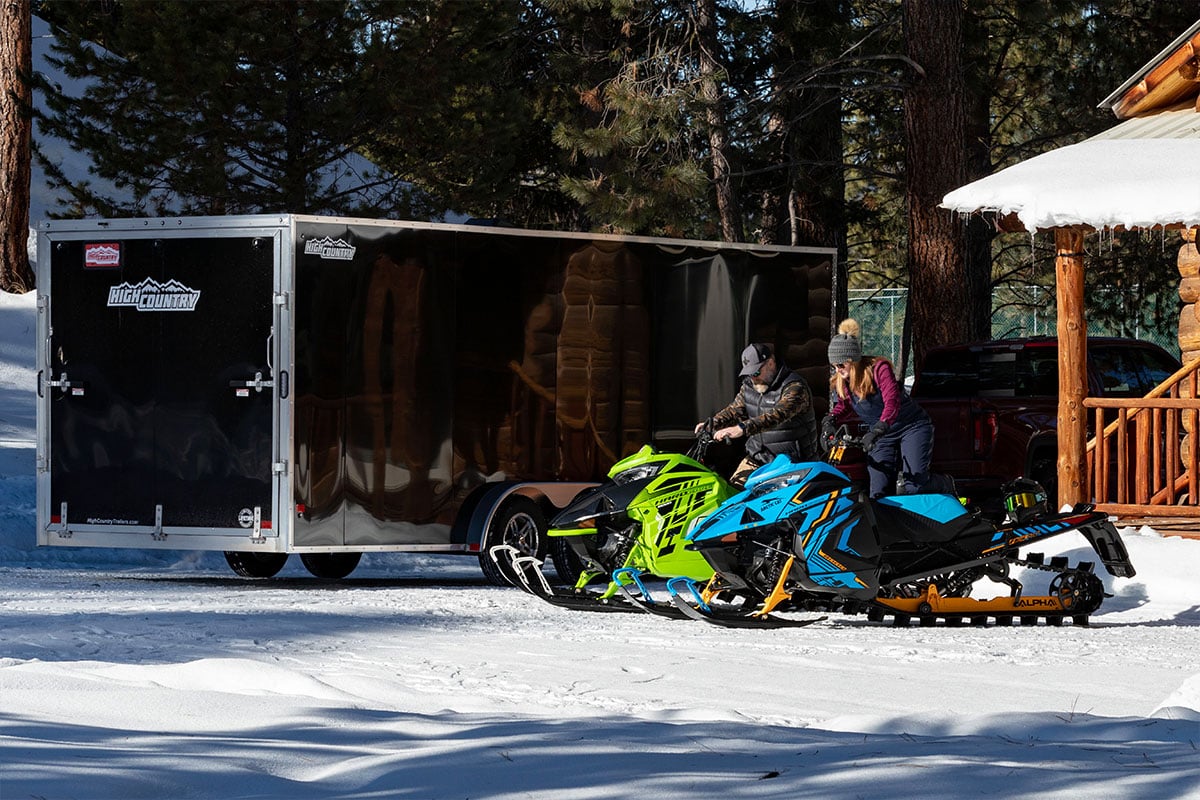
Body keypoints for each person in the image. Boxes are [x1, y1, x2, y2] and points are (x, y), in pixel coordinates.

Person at [822, 318, 935, 497]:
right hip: (882, 433)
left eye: (841, 365)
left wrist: (878, 429)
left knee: (914, 485)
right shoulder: (842, 380)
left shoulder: (879, 369)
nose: (838, 370)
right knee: (878, 489)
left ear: (853, 360)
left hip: (911, 426)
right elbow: (843, 405)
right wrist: (830, 419)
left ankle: (944, 485)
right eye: (834, 366)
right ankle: (887, 522)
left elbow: (892, 402)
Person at [695, 342, 819, 486]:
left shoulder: (794, 387)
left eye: (756, 373)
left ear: (771, 363)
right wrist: (713, 423)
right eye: (749, 374)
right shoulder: (749, 386)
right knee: (734, 495)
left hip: (792, 462)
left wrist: (741, 428)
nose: (753, 378)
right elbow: (735, 410)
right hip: (758, 456)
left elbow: (777, 415)